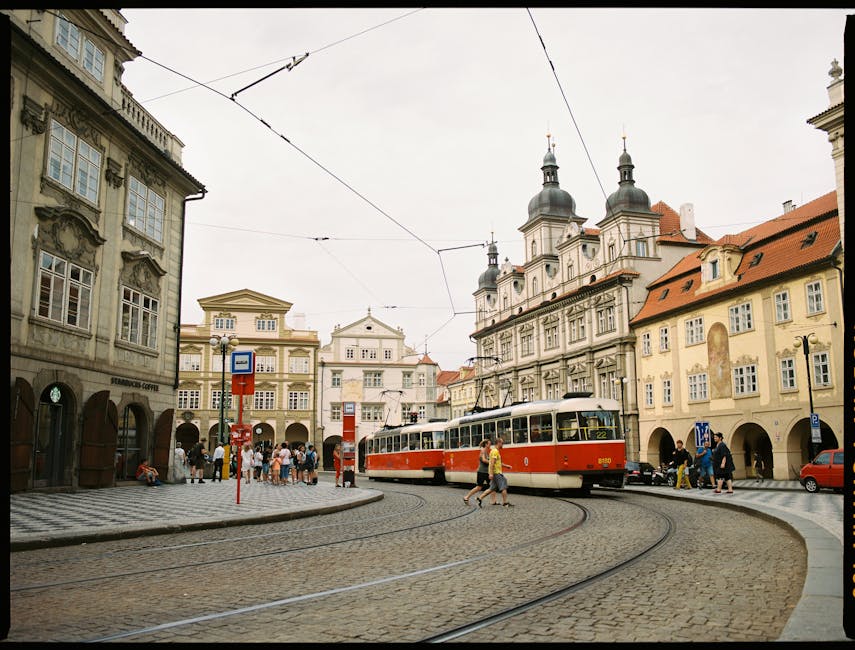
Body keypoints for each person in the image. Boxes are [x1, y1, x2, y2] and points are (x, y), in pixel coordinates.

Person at [477, 437, 513, 507]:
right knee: (504, 487)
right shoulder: (495, 451)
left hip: (495, 472)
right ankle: (505, 503)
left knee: (491, 488)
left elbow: (497, 463)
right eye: (502, 443)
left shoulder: (494, 451)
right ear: (498, 443)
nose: (503, 445)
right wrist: (491, 473)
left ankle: (480, 498)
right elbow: (492, 463)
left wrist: (506, 466)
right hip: (497, 473)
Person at [464, 439, 497, 506]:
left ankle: (493, 501)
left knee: (492, 486)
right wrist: (491, 462)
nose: (490, 445)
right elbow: (484, 460)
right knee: (479, 487)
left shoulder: (487, 451)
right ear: (486, 444)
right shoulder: (483, 451)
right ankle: (466, 497)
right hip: (482, 472)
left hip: (486, 472)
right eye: (489, 444)